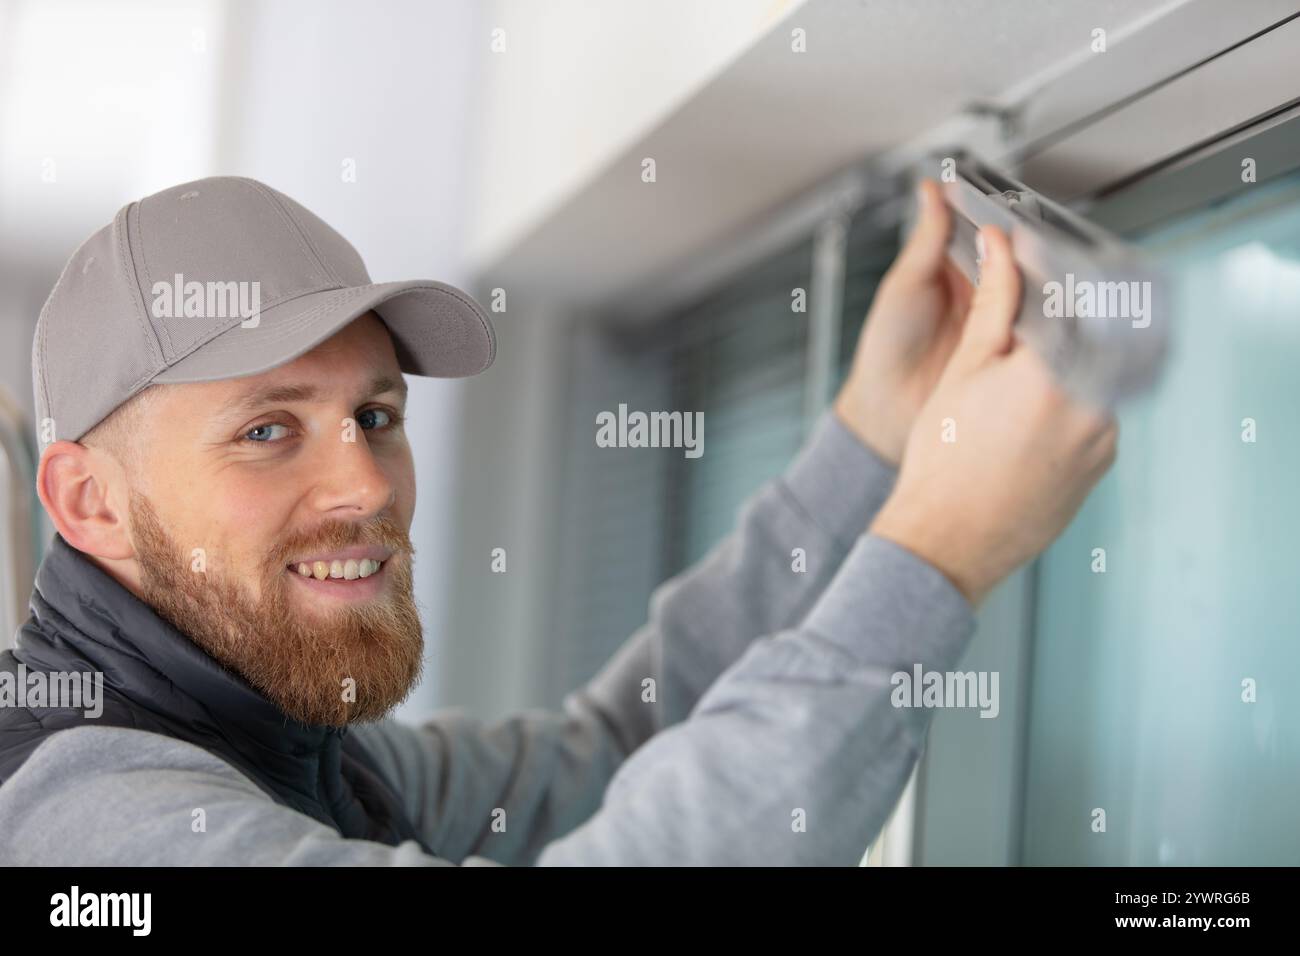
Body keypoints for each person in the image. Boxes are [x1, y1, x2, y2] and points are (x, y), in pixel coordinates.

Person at [0, 175, 1114, 865]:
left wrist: (874, 438)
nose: (369, 486)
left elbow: (626, 750)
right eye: (265, 431)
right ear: (88, 501)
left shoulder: (297, 753)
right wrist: (933, 556)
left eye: (375, 413)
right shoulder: (92, 828)